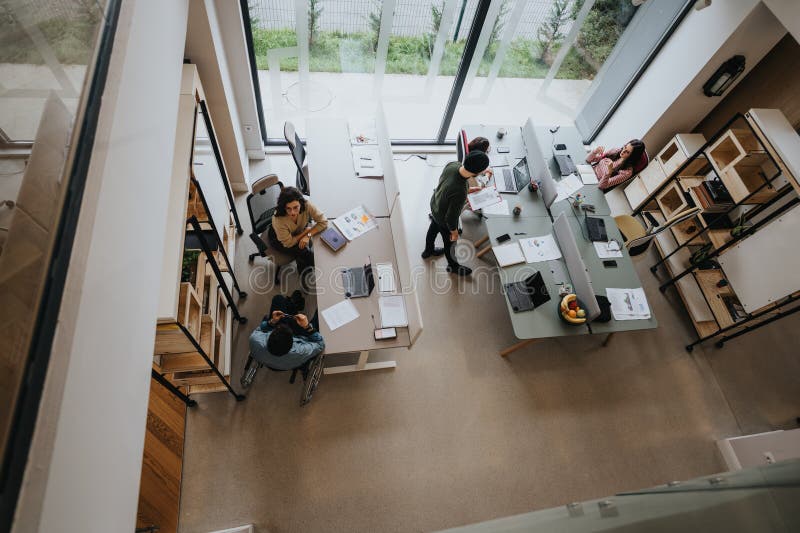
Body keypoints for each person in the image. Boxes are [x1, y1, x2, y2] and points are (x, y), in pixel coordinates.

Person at [422, 151, 490, 276]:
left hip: (436, 205)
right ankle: (453, 266)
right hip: (444, 217)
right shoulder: (460, 191)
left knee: (433, 229)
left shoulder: (453, 165)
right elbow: (451, 217)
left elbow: (449, 186)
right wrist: (454, 233)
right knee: (450, 244)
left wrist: (469, 189)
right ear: (477, 172)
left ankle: (428, 251)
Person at [248, 293, 324, 371]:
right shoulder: (300, 351)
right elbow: (320, 344)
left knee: (278, 298)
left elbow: (260, 329)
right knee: (321, 312)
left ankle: (294, 306)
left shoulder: (254, 339)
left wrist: (272, 322)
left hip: (271, 359)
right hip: (299, 339)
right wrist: (307, 327)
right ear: (292, 342)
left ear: (270, 335)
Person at [269, 186, 328, 284]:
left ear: (301, 203)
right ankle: (306, 275)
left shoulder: (306, 204)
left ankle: (306, 270)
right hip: (280, 239)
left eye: (295, 207)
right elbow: (288, 243)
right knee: (304, 253)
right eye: (288, 208)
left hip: (298, 232)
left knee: (304, 252)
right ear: (284, 207)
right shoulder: (278, 220)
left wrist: (308, 235)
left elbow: (323, 221)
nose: (292, 213)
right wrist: (305, 232)